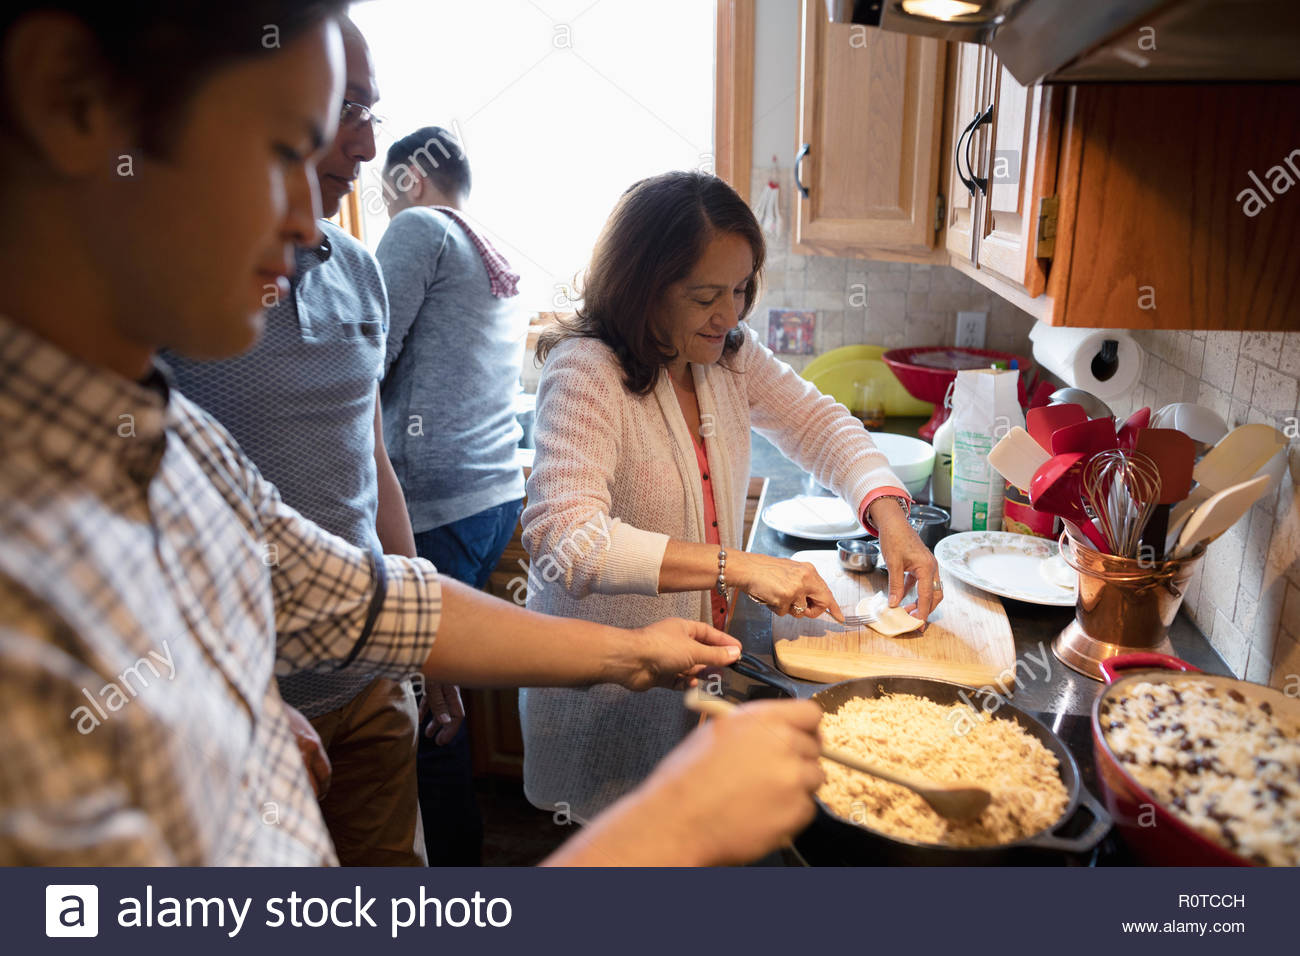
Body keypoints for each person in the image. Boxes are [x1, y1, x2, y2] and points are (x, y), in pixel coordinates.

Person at [0, 1, 822, 868]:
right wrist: (676, 826)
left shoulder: (184, 449)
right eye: (288, 148)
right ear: (71, 98)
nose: (314, 209)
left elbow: (375, 603)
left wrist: (634, 653)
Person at [522, 170, 945, 821]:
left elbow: (816, 423)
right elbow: (566, 541)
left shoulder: (727, 355)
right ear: (643, 287)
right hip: (605, 696)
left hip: (695, 675)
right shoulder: (586, 372)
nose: (732, 313)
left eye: (742, 288)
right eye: (705, 296)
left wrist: (891, 517)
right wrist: (740, 567)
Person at [160, 17, 432, 866]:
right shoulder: (168, 301)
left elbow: (373, 467)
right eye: (335, 110)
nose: (362, 139)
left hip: (371, 682)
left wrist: (428, 660)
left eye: (368, 111)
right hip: (234, 713)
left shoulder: (362, 271)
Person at [375, 126, 528, 864]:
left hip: (432, 505)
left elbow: (359, 357)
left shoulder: (417, 227)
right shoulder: (486, 244)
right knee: (442, 684)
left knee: (418, 699)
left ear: (408, 180)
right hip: (492, 496)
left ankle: (454, 875)